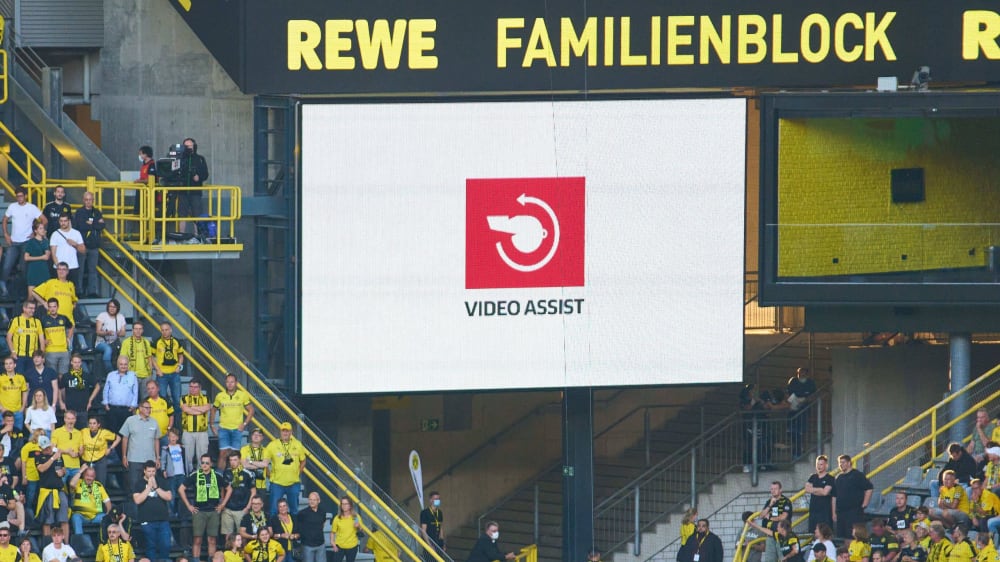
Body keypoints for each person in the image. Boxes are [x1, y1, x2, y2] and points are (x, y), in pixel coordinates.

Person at [179, 453, 232, 562]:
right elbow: (180, 489)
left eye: (207, 463)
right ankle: (195, 560)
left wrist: (222, 505)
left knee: (212, 539)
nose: (204, 465)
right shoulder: (195, 475)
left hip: (213, 510)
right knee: (197, 539)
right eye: (202, 463)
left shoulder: (217, 475)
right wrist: (189, 505)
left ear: (211, 464)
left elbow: (229, 489)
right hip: (199, 511)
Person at [0, 187, 45, 299]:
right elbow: (4, 219)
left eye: (21, 196)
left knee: (24, 268)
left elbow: (44, 220)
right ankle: (4, 290)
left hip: (27, 242)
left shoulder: (31, 208)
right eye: (17, 196)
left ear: (25, 196)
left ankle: (24, 292)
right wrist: (6, 234)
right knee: (6, 266)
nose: (19, 198)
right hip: (14, 242)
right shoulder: (12, 207)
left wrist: (35, 234)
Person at [131, 460, 172, 562]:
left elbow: (169, 497)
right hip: (147, 521)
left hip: (163, 520)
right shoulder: (139, 484)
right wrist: (149, 487)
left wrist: (156, 487)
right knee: (150, 547)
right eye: (149, 471)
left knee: (166, 545)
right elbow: (137, 500)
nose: (151, 473)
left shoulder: (161, 481)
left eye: (153, 471)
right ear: (144, 471)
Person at [213, 374, 254, 470]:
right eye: (228, 382)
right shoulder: (220, 396)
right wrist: (211, 425)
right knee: (222, 453)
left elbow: (251, 410)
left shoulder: (242, 395)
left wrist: (244, 424)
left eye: (232, 382)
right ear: (225, 383)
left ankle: (234, 478)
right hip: (224, 429)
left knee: (234, 455)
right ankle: (219, 477)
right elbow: (213, 409)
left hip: (237, 430)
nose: (230, 384)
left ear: (236, 383)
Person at [264, 422, 305, 515]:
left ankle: (294, 529)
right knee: (274, 510)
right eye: (283, 431)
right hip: (277, 483)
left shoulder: (298, 444)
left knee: (294, 510)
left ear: (291, 432)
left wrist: (298, 473)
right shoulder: (272, 445)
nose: (285, 433)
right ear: (280, 432)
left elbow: (303, 460)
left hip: (293, 483)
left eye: (287, 431)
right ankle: (273, 529)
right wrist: (268, 474)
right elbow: (264, 462)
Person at [119, 399, 160, 491]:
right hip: (134, 459)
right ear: (140, 409)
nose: (149, 410)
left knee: (151, 487)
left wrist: (158, 457)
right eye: (146, 408)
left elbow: (156, 440)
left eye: (150, 408)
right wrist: (124, 456)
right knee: (134, 487)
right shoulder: (130, 420)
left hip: (150, 460)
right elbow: (125, 438)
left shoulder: (154, 422)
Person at [34, 434, 69, 538]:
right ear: (40, 448)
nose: (48, 449)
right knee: (47, 520)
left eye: (49, 447)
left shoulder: (58, 455)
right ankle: (47, 544)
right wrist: (53, 458)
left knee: (64, 518)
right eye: (45, 448)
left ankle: (66, 544)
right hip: (46, 491)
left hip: (59, 490)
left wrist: (62, 472)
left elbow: (64, 469)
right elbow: (41, 469)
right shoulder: (38, 456)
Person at [833, 454, 873, 539]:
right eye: (840, 463)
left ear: (849, 463)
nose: (841, 464)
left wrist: (864, 504)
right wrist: (834, 512)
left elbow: (869, 488)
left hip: (854, 512)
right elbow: (834, 496)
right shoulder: (839, 478)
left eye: (843, 462)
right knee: (841, 537)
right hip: (841, 512)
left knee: (852, 536)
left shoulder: (857, 475)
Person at [72, 191, 104, 297]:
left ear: (93, 200)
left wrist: (90, 224)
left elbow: (102, 225)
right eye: (86, 199)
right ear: (83, 200)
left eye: (90, 199)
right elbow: (80, 226)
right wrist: (95, 224)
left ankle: (92, 292)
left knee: (93, 270)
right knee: (80, 269)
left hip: (94, 246)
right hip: (82, 245)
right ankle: (79, 291)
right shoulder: (79, 212)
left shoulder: (97, 212)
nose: (88, 202)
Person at [176, 138, 209, 236]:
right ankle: (181, 235)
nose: (188, 148)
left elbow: (205, 174)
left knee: (197, 214)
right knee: (182, 215)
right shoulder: (180, 159)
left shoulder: (200, 159)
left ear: (194, 146)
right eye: (186, 146)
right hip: (182, 191)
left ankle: (197, 235)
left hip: (195, 192)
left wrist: (199, 177)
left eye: (190, 146)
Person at [222, 451, 255, 545]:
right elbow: (223, 489)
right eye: (231, 460)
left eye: (235, 460)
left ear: (240, 460)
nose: (233, 462)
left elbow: (253, 492)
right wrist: (223, 503)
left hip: (242, 509)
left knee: (242, 535)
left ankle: (242, 557)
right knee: (227, 535)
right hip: (228, 509)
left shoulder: (247, 473)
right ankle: (229, 555)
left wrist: (248, 507)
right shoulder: (227, 472)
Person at [69, 464, 111, 535]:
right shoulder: (78, 482)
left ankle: (104, 542)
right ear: (83, 475)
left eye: (91, 476)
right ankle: (80, 541)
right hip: (81, 516)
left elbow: (107, 502)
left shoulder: (98, 485)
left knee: (109, 519)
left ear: (94, 477)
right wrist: (81, 471)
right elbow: (72, 484)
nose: (89, 478)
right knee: (75, 517)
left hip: (96, 516)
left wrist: (108, 514)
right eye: (87, 475)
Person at [7, 300, 46, 376]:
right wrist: (13, 352)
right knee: (19, 378)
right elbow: (8, 338)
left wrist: (41, 355)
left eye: (34, 308)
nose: (33, 310)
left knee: (32, 378)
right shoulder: (16, 320)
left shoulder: (37, 322)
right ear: (24, 308)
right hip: (19, 356)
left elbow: (41, 340)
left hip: (33, 356)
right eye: (30, 308)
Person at [59, 354, 99, 428]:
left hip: (83, 408)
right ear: (71, 362)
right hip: (69, 409)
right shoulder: (66, 376)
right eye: (75, 362)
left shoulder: (86, 375)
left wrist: (90, 400)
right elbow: (59, 389)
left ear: (81, 363)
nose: (77, 364)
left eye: (78, 362)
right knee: (69, 431)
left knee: (83, 431)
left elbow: (97, 386)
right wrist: (61, 402)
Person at [103, 355, 139, 434]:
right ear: (117, 365)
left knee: (125, 433)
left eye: (125, 364)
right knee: (112, 433)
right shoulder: (111, 375)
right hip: (112, 409)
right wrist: (106, 404)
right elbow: (106, 390)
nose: (123, 366)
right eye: (121, 364)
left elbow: (135, 392)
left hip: (126, 410)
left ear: (128, 365)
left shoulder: (132, 376)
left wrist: (133, 406)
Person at [180, 380, 211, 471]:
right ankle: (188, 476)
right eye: (190, 387)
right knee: (187, 457)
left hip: (202, 432)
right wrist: (199, 410)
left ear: (200, 388)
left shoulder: (206, 398)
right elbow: (186, 410)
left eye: (195, 387)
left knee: (202, 457)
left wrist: (192, 408)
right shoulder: (184, 398)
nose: (192, 389)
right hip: (187, 432)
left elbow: (206, 408)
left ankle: (201, 475)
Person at [153, 322, 183, 412]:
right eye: (162, 330)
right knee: (162, 399)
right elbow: (151, 357)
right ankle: (166, 422)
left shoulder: (177, 341)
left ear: (171, 330)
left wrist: (179, 366)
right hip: (162, 375)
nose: (164, 332)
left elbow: (181, 356)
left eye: (166, 330)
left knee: (177, 399)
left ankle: (177, 424)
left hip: (174, 374)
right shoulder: (156, 341)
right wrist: (157, 370)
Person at [37, 299, 72, 376]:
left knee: (63, 376)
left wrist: (68, 338)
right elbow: (38, 333)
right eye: (50, 307)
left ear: (58, 307)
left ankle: (61, 388)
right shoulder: (43, 319)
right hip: (50, 351)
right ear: (48, 308)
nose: (52, 309)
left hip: (64, 350)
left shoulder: (63, 318)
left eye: (54, 306)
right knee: (52, 375)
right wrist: (43, 340)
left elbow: (71, 326)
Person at [741, 383, 771, 472]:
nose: (754, 392)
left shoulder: (760, 399)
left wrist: (760, 401)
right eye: (752, 390)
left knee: (762, 446)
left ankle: (762, 464)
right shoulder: (745, 399)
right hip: (749, 427)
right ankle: (748, 465)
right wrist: (753, 401)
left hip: (761, 426)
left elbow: (767, 408)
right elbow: (746, 408)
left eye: (755, 390)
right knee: (749, 447)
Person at [81, 416, 119, 487]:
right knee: (86, 484)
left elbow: (118, 438)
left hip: (100, 460)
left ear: (98, 424)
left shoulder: (104, 433)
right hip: (86, 461)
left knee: (100, 484)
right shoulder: (83, 431)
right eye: (90, 423)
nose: (92, 425)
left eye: (94, 423)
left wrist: (110, 448)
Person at [786, 367, 816, 457]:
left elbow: (813, 395)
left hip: (804, 409)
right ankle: (796, 448)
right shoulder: (793, 381)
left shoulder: (810, 383)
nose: (801, 375)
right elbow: (788, 394)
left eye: (803, 373)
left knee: (800, 431)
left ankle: (800, 449)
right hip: (793, 408)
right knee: (791, 431)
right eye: (799, 373)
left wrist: (805, 400)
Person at [48, 215, 84, 288]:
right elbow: (53, 253)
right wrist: (58, 267)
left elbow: (83, 250)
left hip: (73, 266)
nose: (63, 223)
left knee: (72, 291)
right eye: (61, 221)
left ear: (69, 221)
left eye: (65, 221)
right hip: (60, 268)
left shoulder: (76, 233)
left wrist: (75, 244)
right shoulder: (55, 234)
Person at [94, 300, 126, 375]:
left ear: (117, 308)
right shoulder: (102, 315)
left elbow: (123, 333)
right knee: (108, 349)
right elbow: (98, 331)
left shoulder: (120, 317)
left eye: (114, 307)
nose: (112, 308)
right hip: (101, 343)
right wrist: (106, 333)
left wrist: (118, 333)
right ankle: (111, 373)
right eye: (110, 306)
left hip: (115, 343)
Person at [118, 322, 155, 387]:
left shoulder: (146, 341)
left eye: (140, 329)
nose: (138, 331)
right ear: (132, 330)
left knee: (145, 397)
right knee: (133, 396)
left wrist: (150, 372)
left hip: (146, 376)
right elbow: (122, 358)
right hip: (132, 375)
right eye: (136, 329)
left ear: (142, 330)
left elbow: (149, 357)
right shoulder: (126, 342)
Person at [805, 455, 835, 532]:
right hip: (814, 511)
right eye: (817, 464)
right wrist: (820, 489)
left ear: (826, 465)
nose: (819, 466)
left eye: (821, 464)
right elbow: (807, 489)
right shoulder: (813, 477)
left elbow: (825, 492)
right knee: (814, 533)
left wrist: (814, 490)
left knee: (825, 533)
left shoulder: (830, 478)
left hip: (825, 512)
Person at [50, 410, 81, 482]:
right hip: (62, 466)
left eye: (72, 418)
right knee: (61, 488)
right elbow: (52, 448)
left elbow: (81, 449)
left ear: (75, 419)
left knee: (75, 491)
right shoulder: (57, 432)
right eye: (68, 418)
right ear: (64, 419)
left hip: (76, 466)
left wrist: (78, 454)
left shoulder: (79, 433)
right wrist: (66, 451)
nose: (70, 421)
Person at [241, 428, 269, 507]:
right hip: (248, 484)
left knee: (261, 508)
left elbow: (265, 464)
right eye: (254, 434)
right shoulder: (244, 449)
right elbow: (244, 465)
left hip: (261, 485)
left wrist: (250, 461)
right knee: (247, 508)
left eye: (259, 435)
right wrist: (259, 464)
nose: (256, 436)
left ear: (262, 438)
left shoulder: (265, 450)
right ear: (251, 436)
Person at [24, 220, 51, 299]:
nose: (43, 230)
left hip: (43, 269)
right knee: (31, 296)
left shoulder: (45, 241)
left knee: (43, 296)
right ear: (35, 230)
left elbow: (47, 255)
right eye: (40, 228)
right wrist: (41, 257)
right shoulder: (31, 242)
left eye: (43, 228)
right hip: (33, 269)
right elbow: (26, 257)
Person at [330, 496, 362, 562]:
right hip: (339, 546)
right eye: (342, 504)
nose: (344, 506)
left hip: (352, 546)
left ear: (350, 505)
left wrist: (358, 526)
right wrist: (333, 543)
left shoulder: (355, 517)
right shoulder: (337, 518)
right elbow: (332, 532)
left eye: (346, 504)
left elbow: (361, 531)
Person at [297, 492, 326, 562]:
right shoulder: (302, 513)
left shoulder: (322, 512)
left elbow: (323, 524)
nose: (312, 501)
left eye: (314, 500)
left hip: (320, 544)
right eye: (310, 499)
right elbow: (298, 527)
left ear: (318, 501)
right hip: (307, 545)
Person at [0, 358, 27, 431]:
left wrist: (23, 407)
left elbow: (24, 392)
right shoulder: (1, 378)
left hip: (17, 412)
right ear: (4, 366)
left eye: (10, 363)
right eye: (6, 364)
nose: (8, 365)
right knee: (3, 436)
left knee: (17, 435)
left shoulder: (21, 378)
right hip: (4, 412)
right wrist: (1, 407)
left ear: (15, 365)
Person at [144, 380, 173, 445]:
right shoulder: (144, 402)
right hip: (150, 436)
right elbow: (140, 418)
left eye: (152, 388)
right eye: (148, 389)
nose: (150, 390)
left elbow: (171, 415)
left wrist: (169, 429)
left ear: (158, 388)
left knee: (165, 454)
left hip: (165, 435)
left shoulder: (165, 400)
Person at [21, 429, 44, 508]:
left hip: (42, 476)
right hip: (31, 476)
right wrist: (24, 477)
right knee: (30, 496)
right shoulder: (28, 447)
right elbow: (23, 462)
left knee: (40, 497)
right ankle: (28, 514)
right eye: (39, 435)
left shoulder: (45, 447)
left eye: (43, 435)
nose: (41, 437)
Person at [420, 490, 445, 562]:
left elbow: (441, 528)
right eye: (436, 499)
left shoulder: (439, 512)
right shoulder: (425, 513)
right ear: (431, 500)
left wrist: (442, 543)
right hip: (429, 542)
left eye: (439, 499)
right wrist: (429, 545)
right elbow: (423, 531)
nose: (438, 501)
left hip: (438, 543)